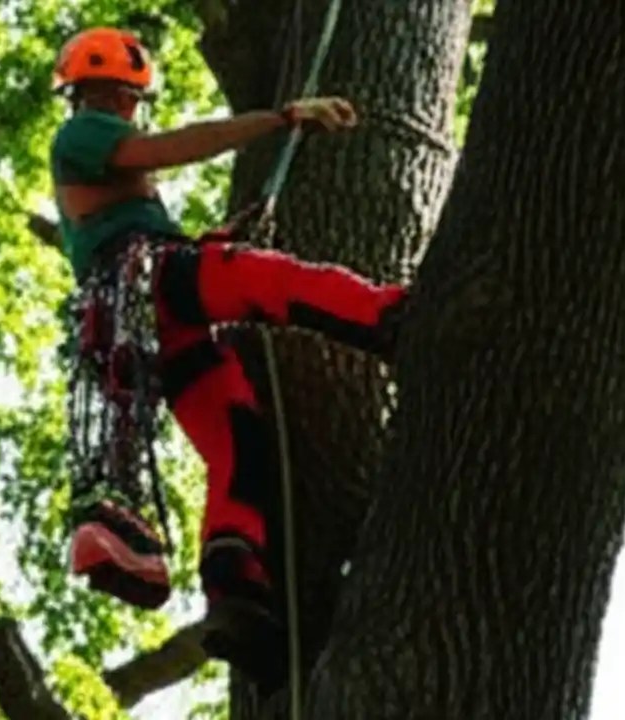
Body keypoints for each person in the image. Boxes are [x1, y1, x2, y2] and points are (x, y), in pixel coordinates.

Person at [49, 26, 407, 689]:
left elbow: (131, 213)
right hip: (146, 284)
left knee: (239, 439)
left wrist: (210, 239)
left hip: (147, 327)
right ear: (115, 94)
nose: (127, 109)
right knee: (269, 282)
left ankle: (234, 590)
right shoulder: (84, 133)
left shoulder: (100, 158)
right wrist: (280, 118)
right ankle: (393, 318)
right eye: (128, 99)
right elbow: (168, 149)